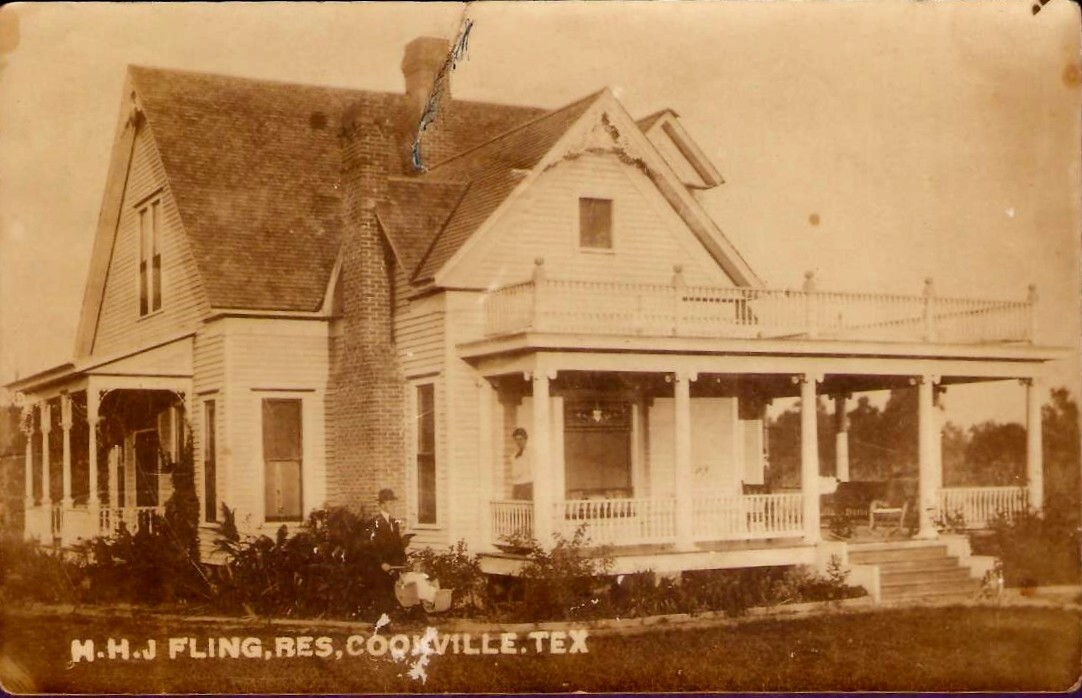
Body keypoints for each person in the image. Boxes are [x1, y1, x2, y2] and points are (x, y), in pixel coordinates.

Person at [366, 488, 409, 618]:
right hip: (380, 566)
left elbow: (397, 545)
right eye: (389, 503)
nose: (392, 506)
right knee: (381, 594)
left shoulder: (393, 523)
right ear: (382, 505)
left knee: (391, 593)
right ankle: (381, 625)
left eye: (393, 503)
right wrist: (381, 562)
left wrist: (402, 561)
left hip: (392, 565)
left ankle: (387, 621)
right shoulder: (375, 523)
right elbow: (372, 547)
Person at [510, 427, 533, 500]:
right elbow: (513, 473)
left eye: (520, 439)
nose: (518, 442)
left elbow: (529, 470)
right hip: (516, 485)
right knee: (515, 508)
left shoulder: (530, 453)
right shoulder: (514, 456)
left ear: (526, 440)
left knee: (526, 508)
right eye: (516, 439)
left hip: (527, 484)